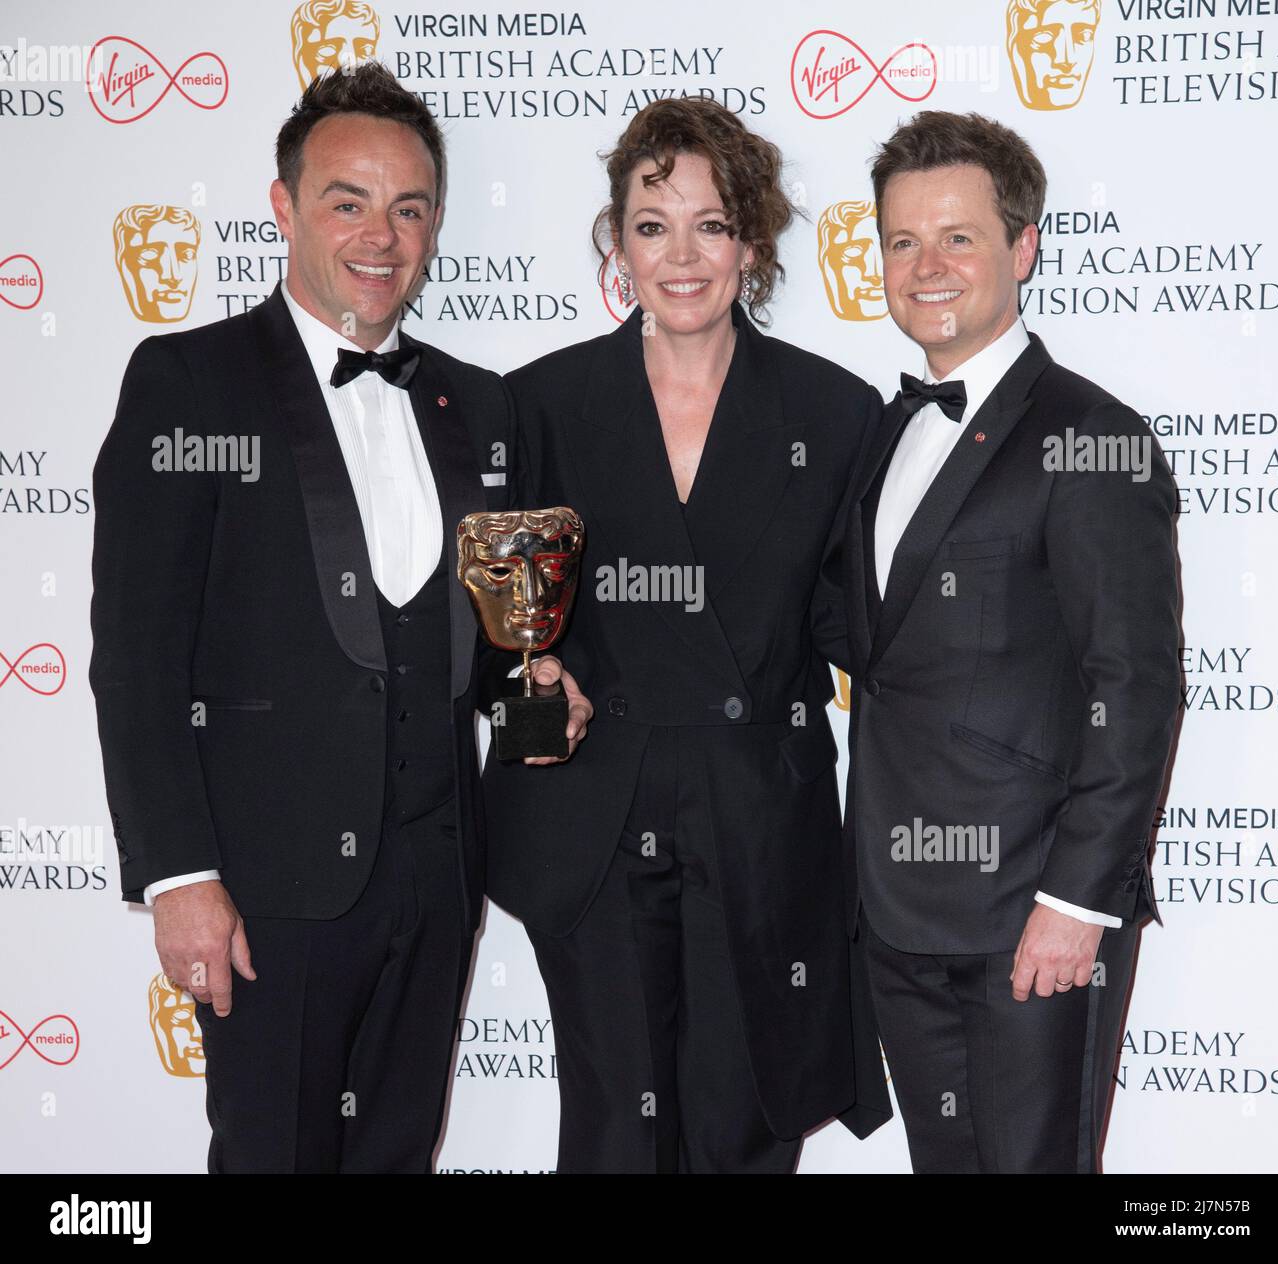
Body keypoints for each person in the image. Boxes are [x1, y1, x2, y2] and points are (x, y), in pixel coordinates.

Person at [89, 61, 588, 1174]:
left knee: (395, 1156)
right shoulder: (189, 382)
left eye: (408, 209)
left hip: (437, 872)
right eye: (346, 202)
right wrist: (179, 879)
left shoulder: (479, 402)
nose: (381, 235)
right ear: (284, 207)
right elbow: (135, 658)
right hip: (267, 891)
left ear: (435, 226)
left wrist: (535, 697)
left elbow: (496, 648)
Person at [482, 97, 892, 1173]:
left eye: (710, 224)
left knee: (740, 1125)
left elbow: (860, 624)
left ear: (750, 242)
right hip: (593, 809)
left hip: (757, 813)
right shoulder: (536, 405)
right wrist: (530, 677)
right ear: (616, 240)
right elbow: (488, 626)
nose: (680, 255)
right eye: (651, 224)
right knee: (616, 1128)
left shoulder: (835, 413)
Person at [838, 110, 1180, 1173]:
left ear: (1022, 247)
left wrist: (1077, 904)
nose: (925, 267)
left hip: (1031, 920)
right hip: (897, 910)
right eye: (901, 242)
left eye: (958, 237)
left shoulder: (1093, 434)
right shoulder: (883, 430)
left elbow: (1136, 686)